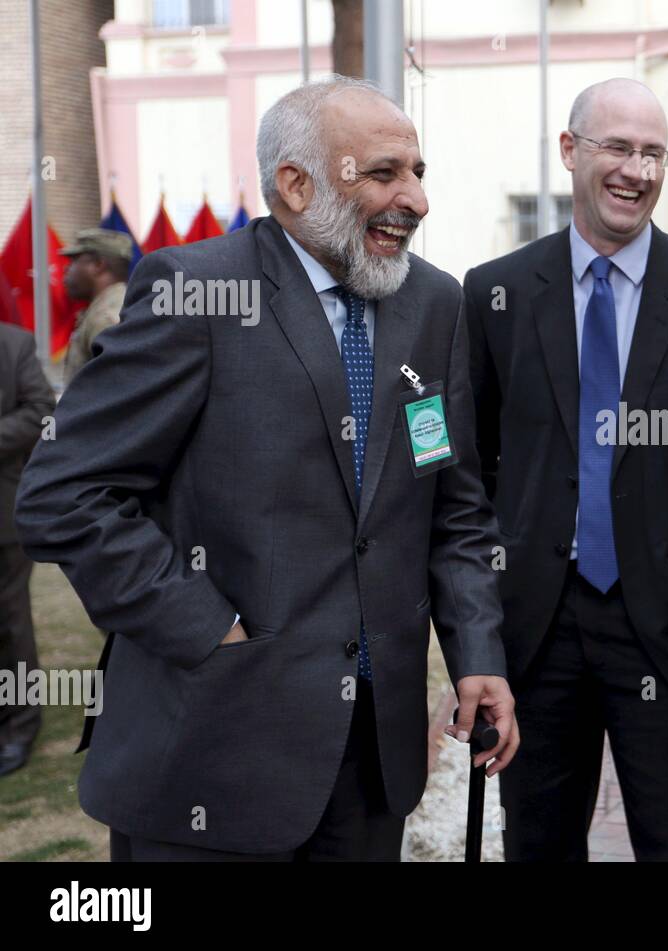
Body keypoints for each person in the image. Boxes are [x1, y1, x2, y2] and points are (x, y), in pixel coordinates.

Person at [15, 76, 517, 860]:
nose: (416, 199)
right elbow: (63, 495)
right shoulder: (196, 291)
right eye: (385, 173)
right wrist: (209, 626)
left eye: (420, 173)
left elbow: (453, 508)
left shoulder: (434, 303)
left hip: (369, 769)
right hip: (212, 753)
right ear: (296, 183)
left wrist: (478, 656)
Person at [463, 78, 668, 861]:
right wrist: (487, 619)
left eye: (654, 153)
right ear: (570, 151)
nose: (638, 170)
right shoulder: (493, 294)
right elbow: (472, 468)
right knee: (539, 845)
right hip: (536, 629)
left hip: (665, 628)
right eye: (619, 148)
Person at [0, 323, 55, 778]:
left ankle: (20, 726)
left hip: (2, 519)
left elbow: (40, 410)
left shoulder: (13, 344)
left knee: (9, 623)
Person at [59, 228, 132, 386]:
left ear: (98, 265)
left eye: (74, 260)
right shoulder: (114, 305)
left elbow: (117, 388)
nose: (66, 269)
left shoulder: (106, 318)